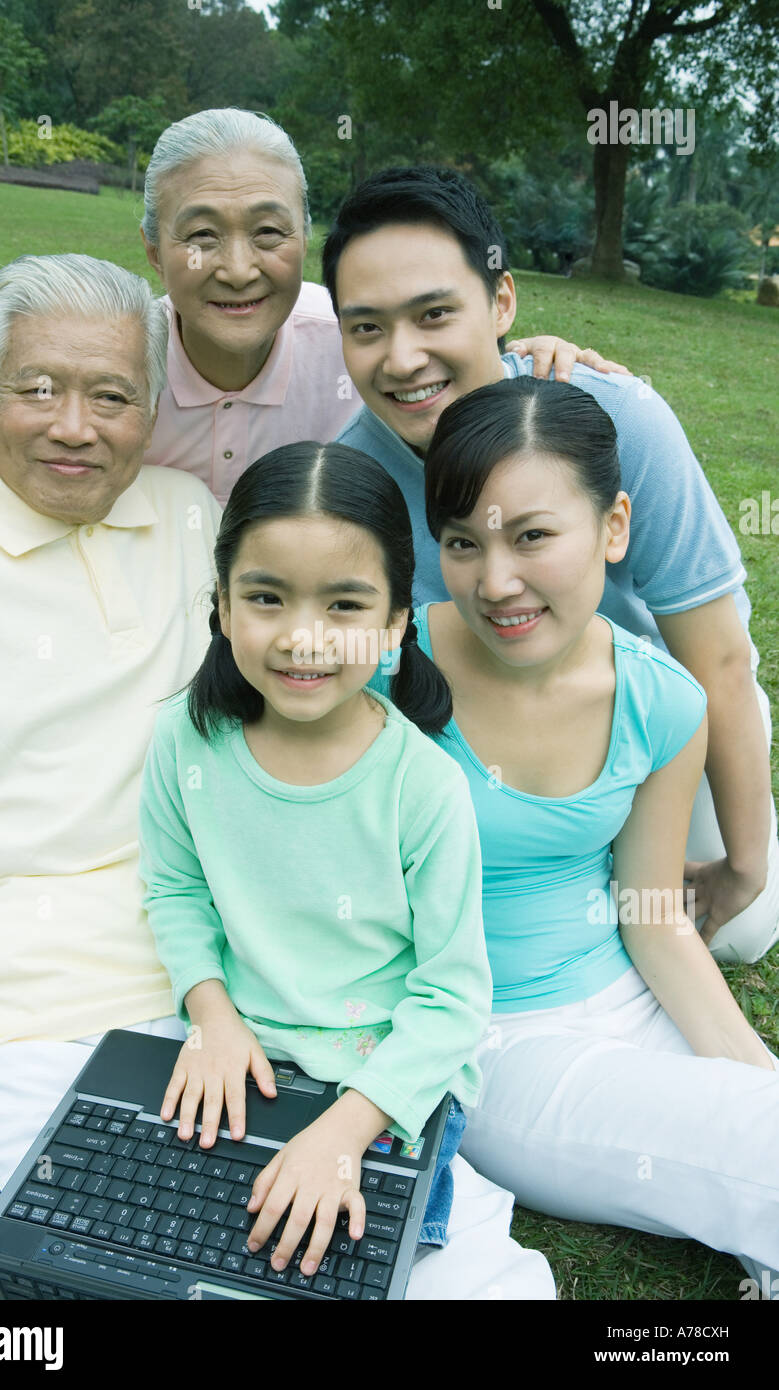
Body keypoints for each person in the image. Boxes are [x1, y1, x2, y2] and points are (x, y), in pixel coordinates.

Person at [370, 376, 779, 1286]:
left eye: (531, 537)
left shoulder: (660, 698)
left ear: (613, 526)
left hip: (629, 994)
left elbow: (653, 916)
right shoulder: (388, 676)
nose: (495, 582)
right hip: (492, 1042)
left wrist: (759, 1075)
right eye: (463, 543)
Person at [322, 164, 779, 967]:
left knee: (740, 931)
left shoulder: (616, 416)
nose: (402, 359)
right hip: (489, 752)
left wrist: (744, 861)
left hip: (648, 731)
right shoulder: (350, 482)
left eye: (434, 314)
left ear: (500, 303)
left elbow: (716, 656)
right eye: (366, 328)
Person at [137, 440, 556, 1300]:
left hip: (381, 1082)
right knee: (162, 1249)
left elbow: (450, 999)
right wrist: (211, 1016)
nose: (303, 638)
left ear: (398, 622)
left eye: (345, 605)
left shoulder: (424, 788)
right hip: (242, 1061)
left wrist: (344, 1131)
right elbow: (176, 889)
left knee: (388, 1274)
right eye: (266, 598)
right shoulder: (185, 739)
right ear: (220, 606)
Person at [0, 253, 221, 1241]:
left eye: (112, 396)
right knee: (76, 1258)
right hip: (22, 1012)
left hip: (224, 984)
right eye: (36, 389)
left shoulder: (195, 519)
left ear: (153, 410)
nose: (73, 426)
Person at [0, 110, 624, 516]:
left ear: (303, 240)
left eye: (268, 231)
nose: (237, 267)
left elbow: (442, 369)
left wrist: (511, 357)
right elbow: (45, 435)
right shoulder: (119, 363)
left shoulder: (357, 347)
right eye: (199, 236)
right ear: (154, 253)